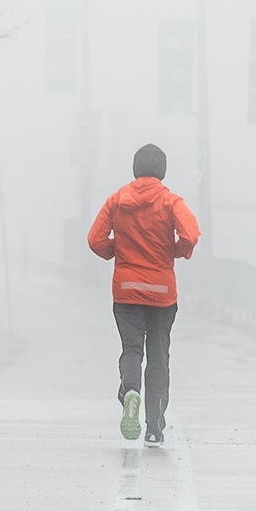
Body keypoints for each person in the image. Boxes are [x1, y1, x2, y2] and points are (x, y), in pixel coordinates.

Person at [87, 144, 200, 445]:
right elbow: (190, 234)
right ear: (163, 170)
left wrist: (119, 252)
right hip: (162, 293)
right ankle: (154, 426)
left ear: (135, 168)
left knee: (132, 350)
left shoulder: (117, 200)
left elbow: (95, 240)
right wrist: (175, 252)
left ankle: (130, 390)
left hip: (126, 291)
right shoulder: (171, 201)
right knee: (159, 356)